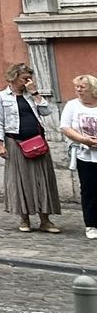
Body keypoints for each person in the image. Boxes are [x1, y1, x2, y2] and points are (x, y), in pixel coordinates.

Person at [0, 61, 61, 233]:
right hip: (15, 142)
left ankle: (45, 219)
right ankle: (25, 219)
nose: (27, 81)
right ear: (14, 78)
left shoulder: (31, 94)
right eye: (24, 79)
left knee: (42, 180)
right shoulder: (1, 97)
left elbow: (46, 112)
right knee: (21, 180)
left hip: (37, 142)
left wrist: (35, 93)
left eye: (29, 78)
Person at [60, 74, 97, 239]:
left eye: (82, 87)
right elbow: (65, 127)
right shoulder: (72, 105)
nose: (79, 90)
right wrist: (83, 140)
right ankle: (91, 224)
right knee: (89, 190)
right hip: (85, 154)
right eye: (77, 87)